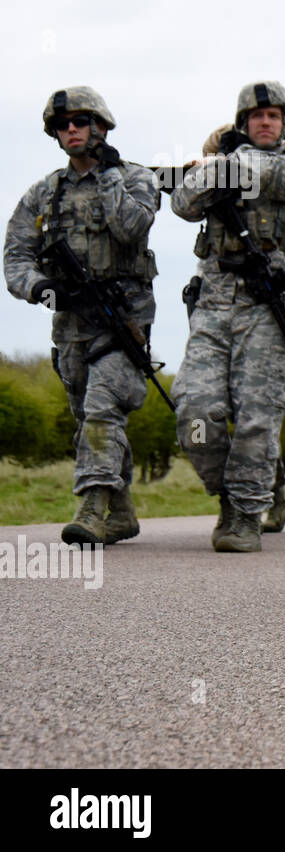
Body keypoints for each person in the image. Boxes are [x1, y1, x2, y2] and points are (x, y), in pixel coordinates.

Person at [172, 81, 285, 552]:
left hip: (267, 309)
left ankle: (247, 513)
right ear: (243, 124)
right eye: (256, 117)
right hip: (212, 305)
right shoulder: (224, 166)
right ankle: (231, 497)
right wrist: (213, 168)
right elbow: (183, 202)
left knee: (257, 416)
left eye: (274, 116)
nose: (265, 122)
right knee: (194, 409)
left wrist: (217, 162)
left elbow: (263, 176)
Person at [4, 87, 160, 545]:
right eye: (61, 125)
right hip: (71, 325)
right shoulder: (43, 194)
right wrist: (40, 287)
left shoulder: (135, 179)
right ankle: (123, 510)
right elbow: (15, 257)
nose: (69, 129)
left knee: (102, 410)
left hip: (123, 318)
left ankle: (92, 508)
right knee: (88, 418)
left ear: (101, 126)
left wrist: (108, 174)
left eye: (78, 121)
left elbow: (132, 228)